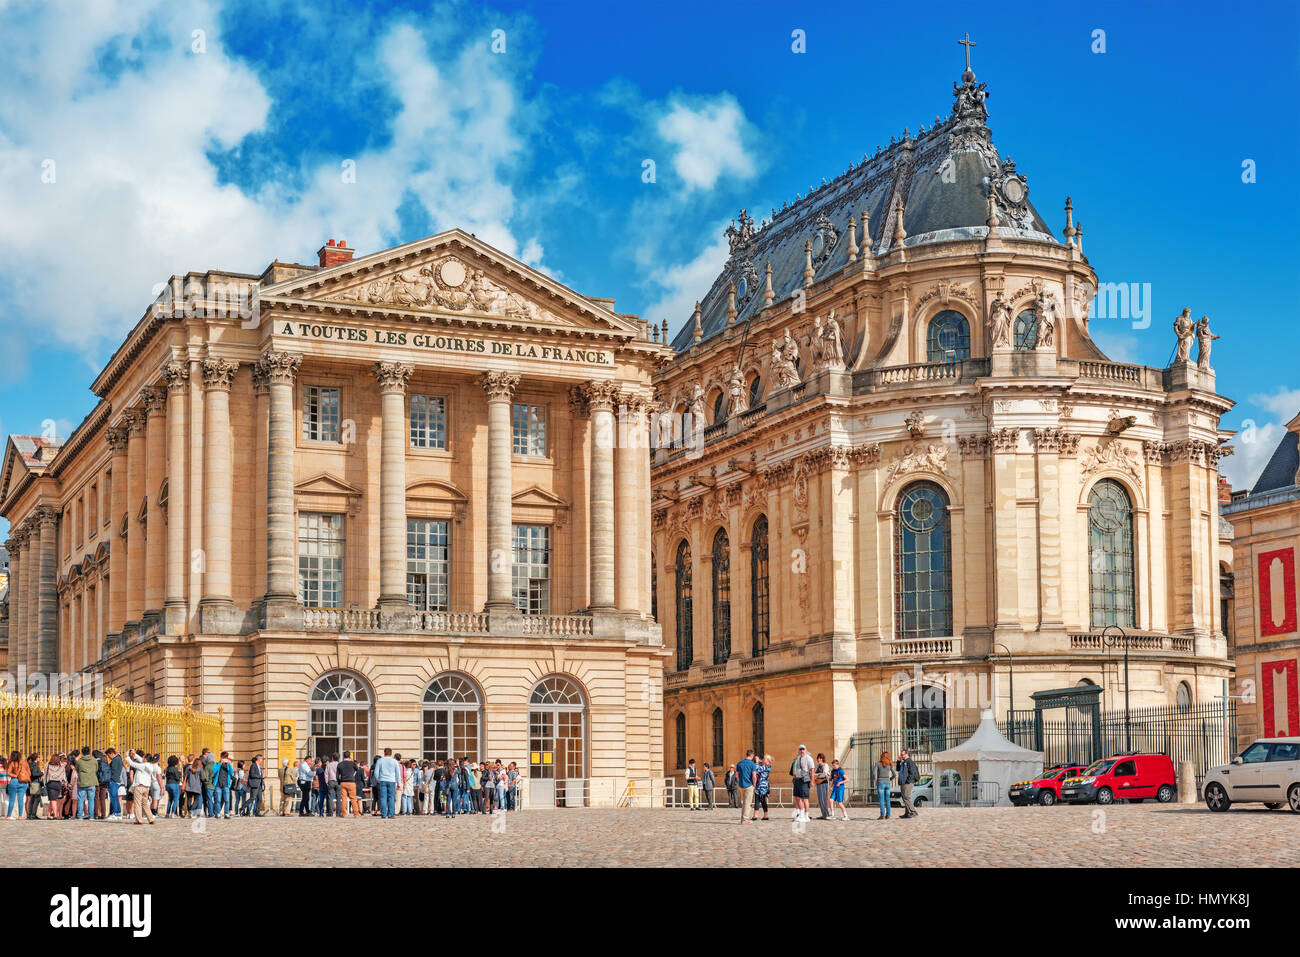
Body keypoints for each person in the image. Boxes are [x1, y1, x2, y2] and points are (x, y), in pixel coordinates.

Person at [125, 749, 156, 824]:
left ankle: (139, 819)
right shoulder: (149, 765)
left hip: (139, 786)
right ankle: (150, 818)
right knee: (145, 804)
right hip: (146, 787)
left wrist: (127, 757)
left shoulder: (143, 766)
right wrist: (134, 754)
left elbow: (133, 764)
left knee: (138, 803)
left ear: (145, 759)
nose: (142, 758)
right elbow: (141, 760)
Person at [372, 748, 400, 819]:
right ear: (391, 753)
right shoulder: (394, 761)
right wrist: (399, 783)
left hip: (383, 780)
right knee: (391, 798)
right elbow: (397, 773)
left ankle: (384, 814)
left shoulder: (380, 761)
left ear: (384, 753)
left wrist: (378, 780)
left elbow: (376, 772)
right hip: (392, 781)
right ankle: (391, 814)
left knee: (383, 798)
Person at [791, 745, 814, 823]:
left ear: (805, 750)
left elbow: (812, 770)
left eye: (803, 749)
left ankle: (806, 816)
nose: (801, 750)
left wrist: (812, 781)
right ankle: (801, 814)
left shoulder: (808, 758)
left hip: (804, 780)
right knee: (797, 797)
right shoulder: (798, 758)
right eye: (800, 749)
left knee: (805, 798)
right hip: (797, 779)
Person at [735, 749, 758, 824]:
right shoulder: (752, 764)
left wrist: (740, 781)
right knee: (748, 803)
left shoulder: (739, 763)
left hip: (741, 785)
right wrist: (754, 785)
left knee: (744, 802)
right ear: (752, 755)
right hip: (749, 785)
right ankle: (745, 820)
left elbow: (737, 775)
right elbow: (754, 776)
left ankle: (742, 819)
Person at [872, 750, 896, 820]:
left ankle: (882, 815)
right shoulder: (890, 764)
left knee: (881, 800)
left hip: (880, 782)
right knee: (888, 800)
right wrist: (890, 779)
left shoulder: (878, 764)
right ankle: (888, 815)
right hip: (887, 783)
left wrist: (876, 779)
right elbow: (894, 774)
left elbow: (874, 773)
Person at [211, 751, 236, 819]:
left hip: (226, 785)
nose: (225, 758)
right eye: (224, 757)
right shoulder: (217, 764)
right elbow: (213, 771)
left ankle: (226, 813)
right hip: (218, 785)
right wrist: (220, 763)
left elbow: (232, 773)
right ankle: (217, 813)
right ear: (221, 757)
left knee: (227, 800)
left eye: (226, 757)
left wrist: (229, 764)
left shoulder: (228, 765)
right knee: (218, 800)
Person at [896, 748, 920, 819]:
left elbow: (912, 773)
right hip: (903, 782)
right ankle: (907, 813)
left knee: (906, 797)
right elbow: (898, 769)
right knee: (904, 798)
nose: (901, 756)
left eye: (902, 754)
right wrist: (898, 761)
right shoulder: (904, 762)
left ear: (907, 754)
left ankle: (913, 811)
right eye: (901, 754)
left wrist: (908, 781)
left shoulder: (909, 762)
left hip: (907, 783)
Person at [336, 752, 360, 817]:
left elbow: (337, 776)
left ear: (343, 756)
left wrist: (339, 782)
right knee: (353, 798)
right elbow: (357, 769)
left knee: (344, 798)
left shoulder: (340, 764)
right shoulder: (352, 763)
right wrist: (352, 760)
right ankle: (356, 813)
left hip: (343, 782)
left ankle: (343, 813)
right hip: (351, 782)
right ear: (349, 756)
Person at [5, 751, 27, 820]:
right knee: (21, 799)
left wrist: (15, 776)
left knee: (12, 799)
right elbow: (29, 773)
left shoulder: (12, 763)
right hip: (23, 782)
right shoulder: (25, 763)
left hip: (14, 781)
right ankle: (20, 816)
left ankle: (8, 816)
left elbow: (8, 773)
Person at [44, 754, 67, 820]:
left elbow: (45, 775)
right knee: (54, 800)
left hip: (51, 783)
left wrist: (46, 782)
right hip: (58, 784)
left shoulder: (48, 766)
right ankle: (49, 815)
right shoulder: (62, 767)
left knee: (53, 800)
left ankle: (55, 815)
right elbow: (63, 776)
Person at [814, 752, 832, 820]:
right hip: (818, 782)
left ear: (822, 759)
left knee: (824, 799)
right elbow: (813, 774)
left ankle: (826, 814)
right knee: (820, 799)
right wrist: (818, 774)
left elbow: (825, 773)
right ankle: (823, 814)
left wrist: (818, 774)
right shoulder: (817, 766)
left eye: (820, 758)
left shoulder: (825, 765)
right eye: (818, 758)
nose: (819, 759)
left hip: (824, 783)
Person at [754, 754, 772, 821]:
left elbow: (757, 769)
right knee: (759, 800)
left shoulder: (767, 766)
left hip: (762, 786)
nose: (763, 759)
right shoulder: (763, 765)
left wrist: (757, 762)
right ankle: (764, 815)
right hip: (759, 785)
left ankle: (757, 815)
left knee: (760, 800)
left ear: (767, 760)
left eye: (764, 758)